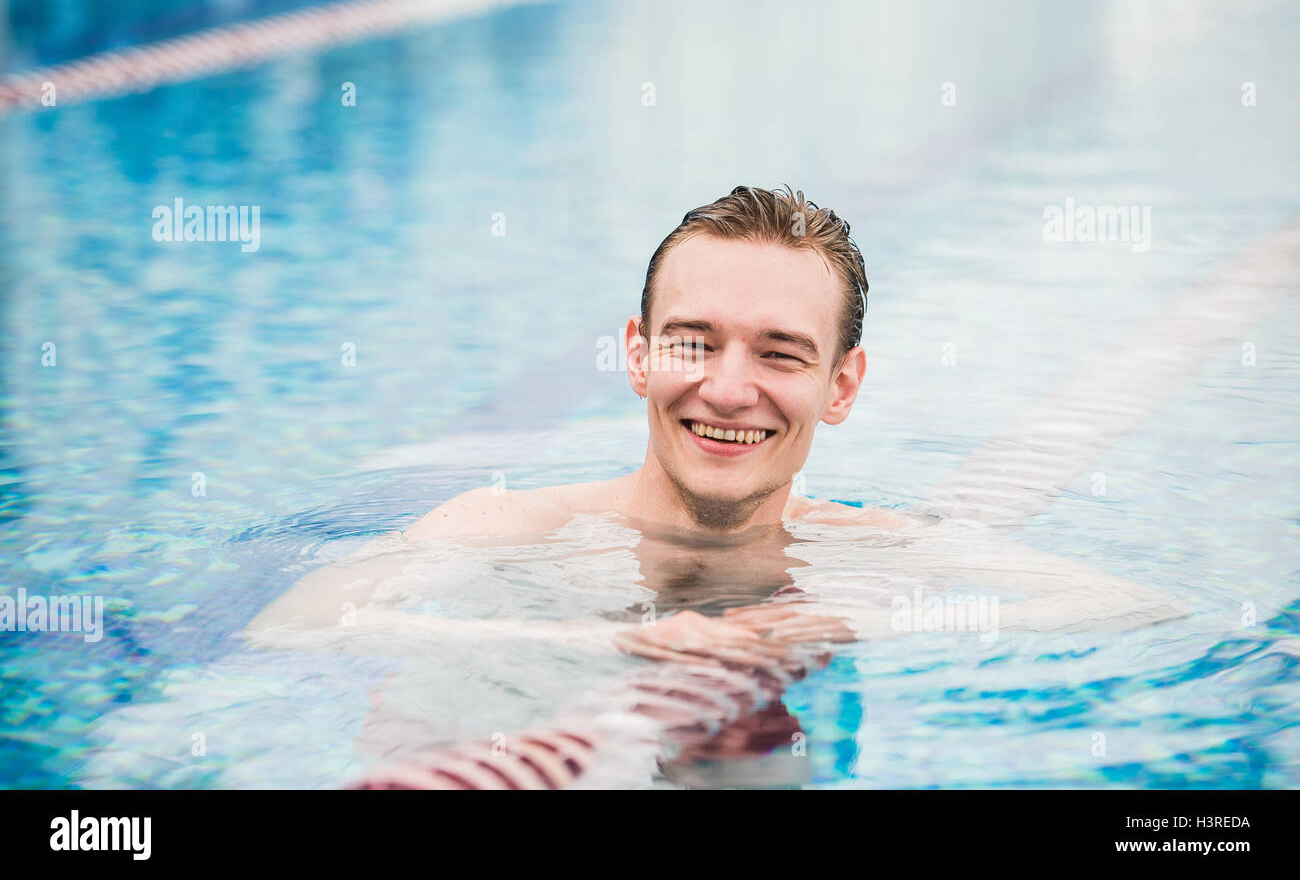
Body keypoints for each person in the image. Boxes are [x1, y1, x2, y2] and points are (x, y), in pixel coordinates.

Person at [248, 185, 1189, 787]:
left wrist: (868, 621)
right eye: (694, 341)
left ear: (842, 385)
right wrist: (595, 638)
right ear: (638, 353)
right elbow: (292, 625)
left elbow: (1136, 606)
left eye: (780, 353)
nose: (727, 388)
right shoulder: (506, 525)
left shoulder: (877, 552)